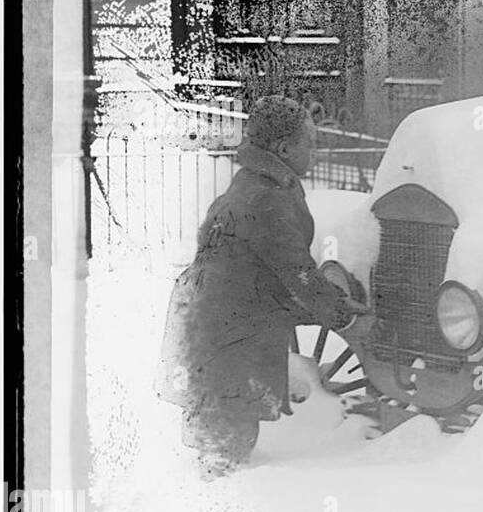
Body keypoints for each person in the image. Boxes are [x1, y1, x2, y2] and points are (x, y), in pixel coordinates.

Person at [155, 95, 368, 477]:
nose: (315, 152)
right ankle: (216, 508)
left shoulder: (259, 181)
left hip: (222, 319)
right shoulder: (266, 199)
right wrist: (342, 315)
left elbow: (270, 270)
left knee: (224, 429)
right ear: (284, 149)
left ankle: (213, 490)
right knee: (228, 438)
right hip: (230, 333)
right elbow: (296, 272)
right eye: (310, 143)